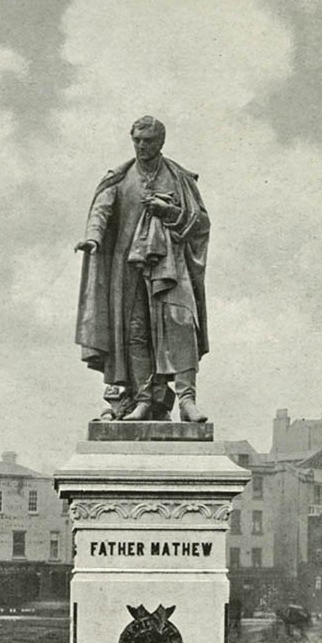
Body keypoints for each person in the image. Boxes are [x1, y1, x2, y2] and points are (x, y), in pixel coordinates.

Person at [75, 116, 210, 422]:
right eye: (137, 139)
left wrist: (170, 211)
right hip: (129, 269)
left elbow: (201, 222)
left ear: (160, 142)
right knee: (136, 333)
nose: (141, 145)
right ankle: (144, 400)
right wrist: (93, 239)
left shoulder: (179, 178)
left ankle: (188, 400)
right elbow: (101, 210)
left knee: (182, 326)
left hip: (171, 268)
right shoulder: (120, 178)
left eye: (148, 140)